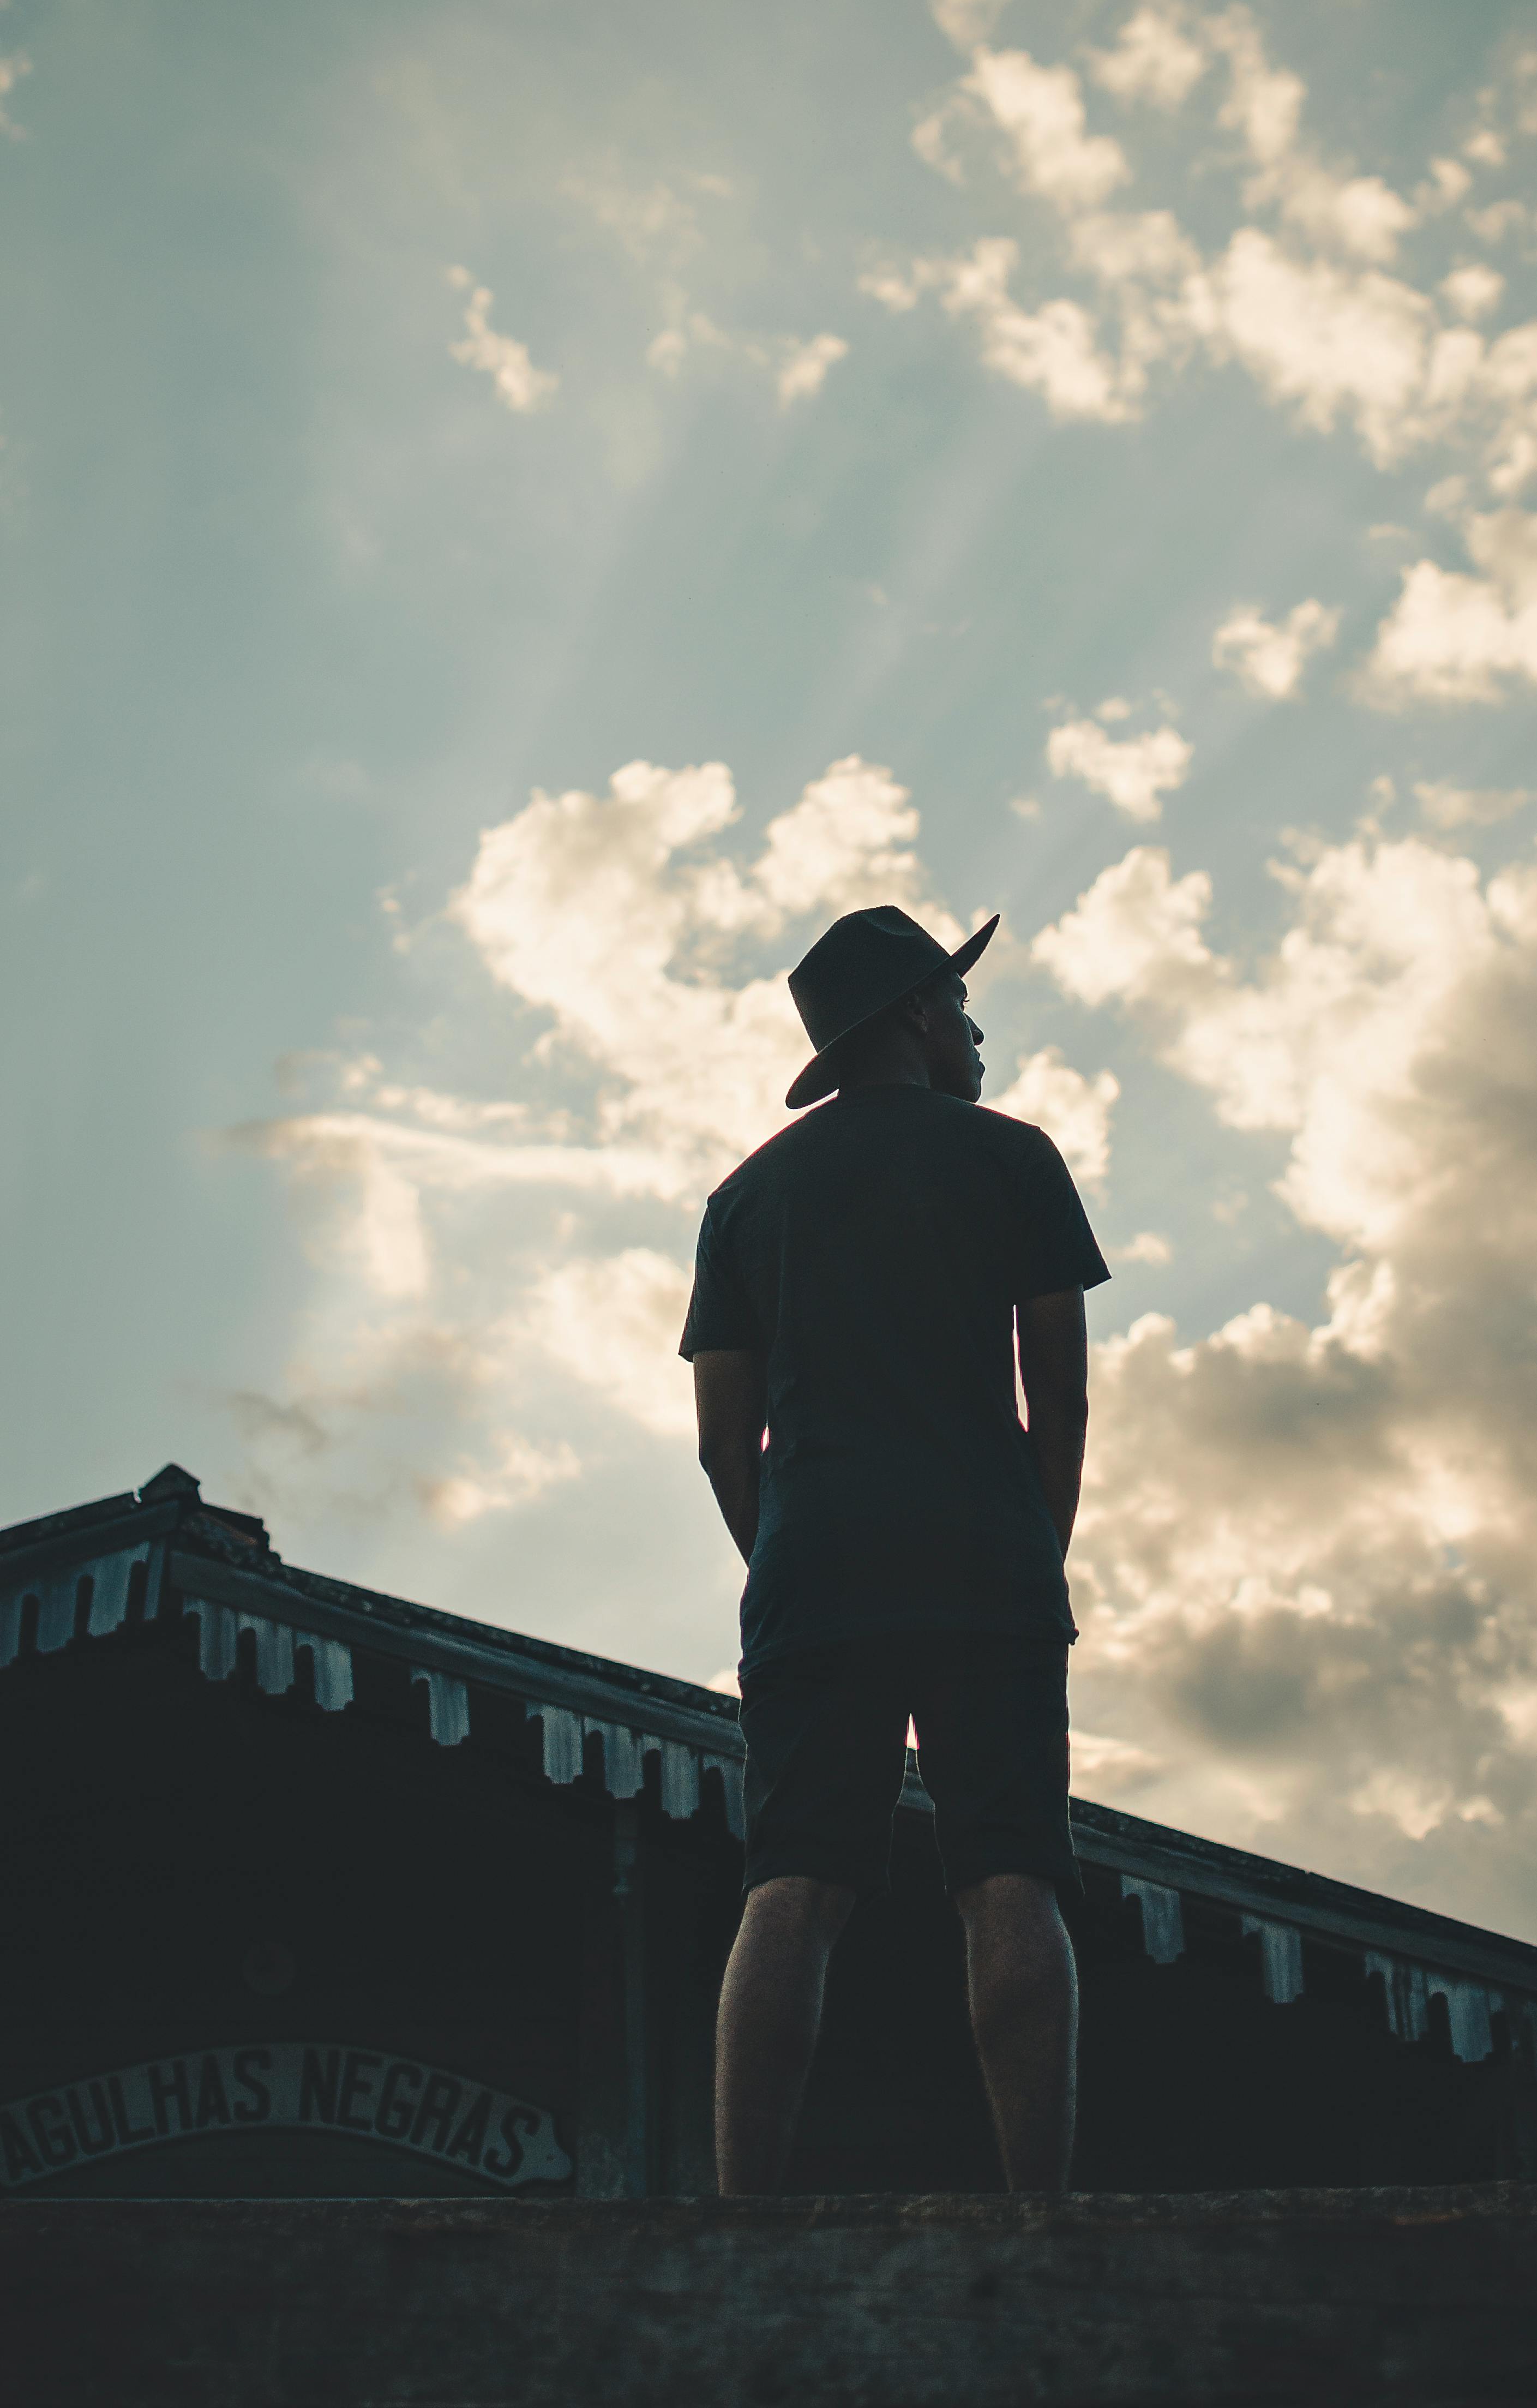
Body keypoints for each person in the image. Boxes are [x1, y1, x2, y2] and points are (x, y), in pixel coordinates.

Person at [679, 903, 1110, 2194]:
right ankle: (1040, 2213)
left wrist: (796, 1562)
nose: (977, 1029)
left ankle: (743, 2218)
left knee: (792, 1882)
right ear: (920, 1015)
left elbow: (721, 1442)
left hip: (814, 1570)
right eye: (963, 1006)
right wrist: (1033, 1540)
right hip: (988, 1553)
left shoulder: (745, 1198)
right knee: (1010, 1872)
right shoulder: (1015, 1158)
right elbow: (1064, 1394)